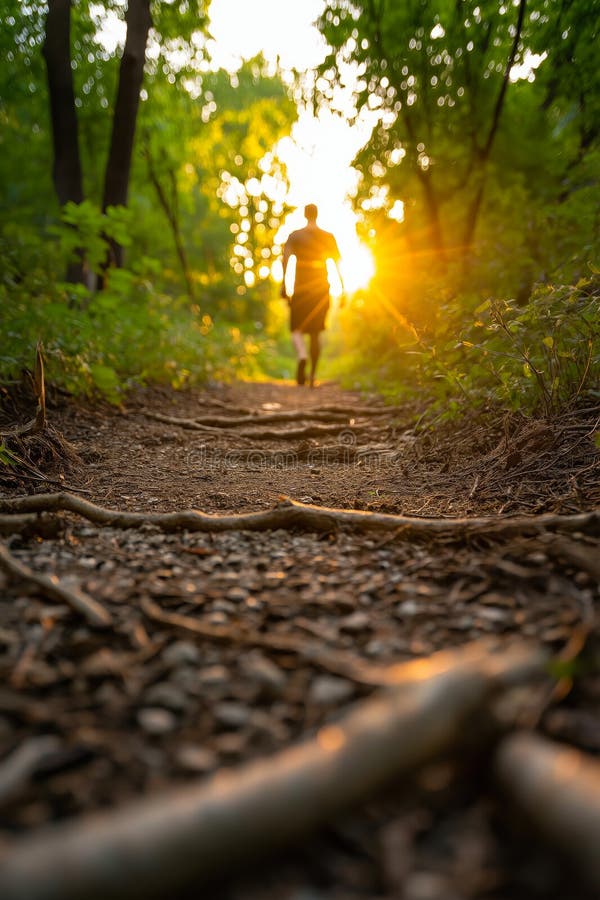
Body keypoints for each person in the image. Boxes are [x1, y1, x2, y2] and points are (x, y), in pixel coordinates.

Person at [280, 203, 344, 387]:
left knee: (296, 330)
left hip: (300, 289)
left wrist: (284, 285)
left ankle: (302, 355)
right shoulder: (327, 236)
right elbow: (338, 263)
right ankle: (313, 376)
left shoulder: (295, 236)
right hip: (322, 290)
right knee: (316, 333)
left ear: (305, 214)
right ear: (317, 214)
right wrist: (342, 288)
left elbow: (286, 260)